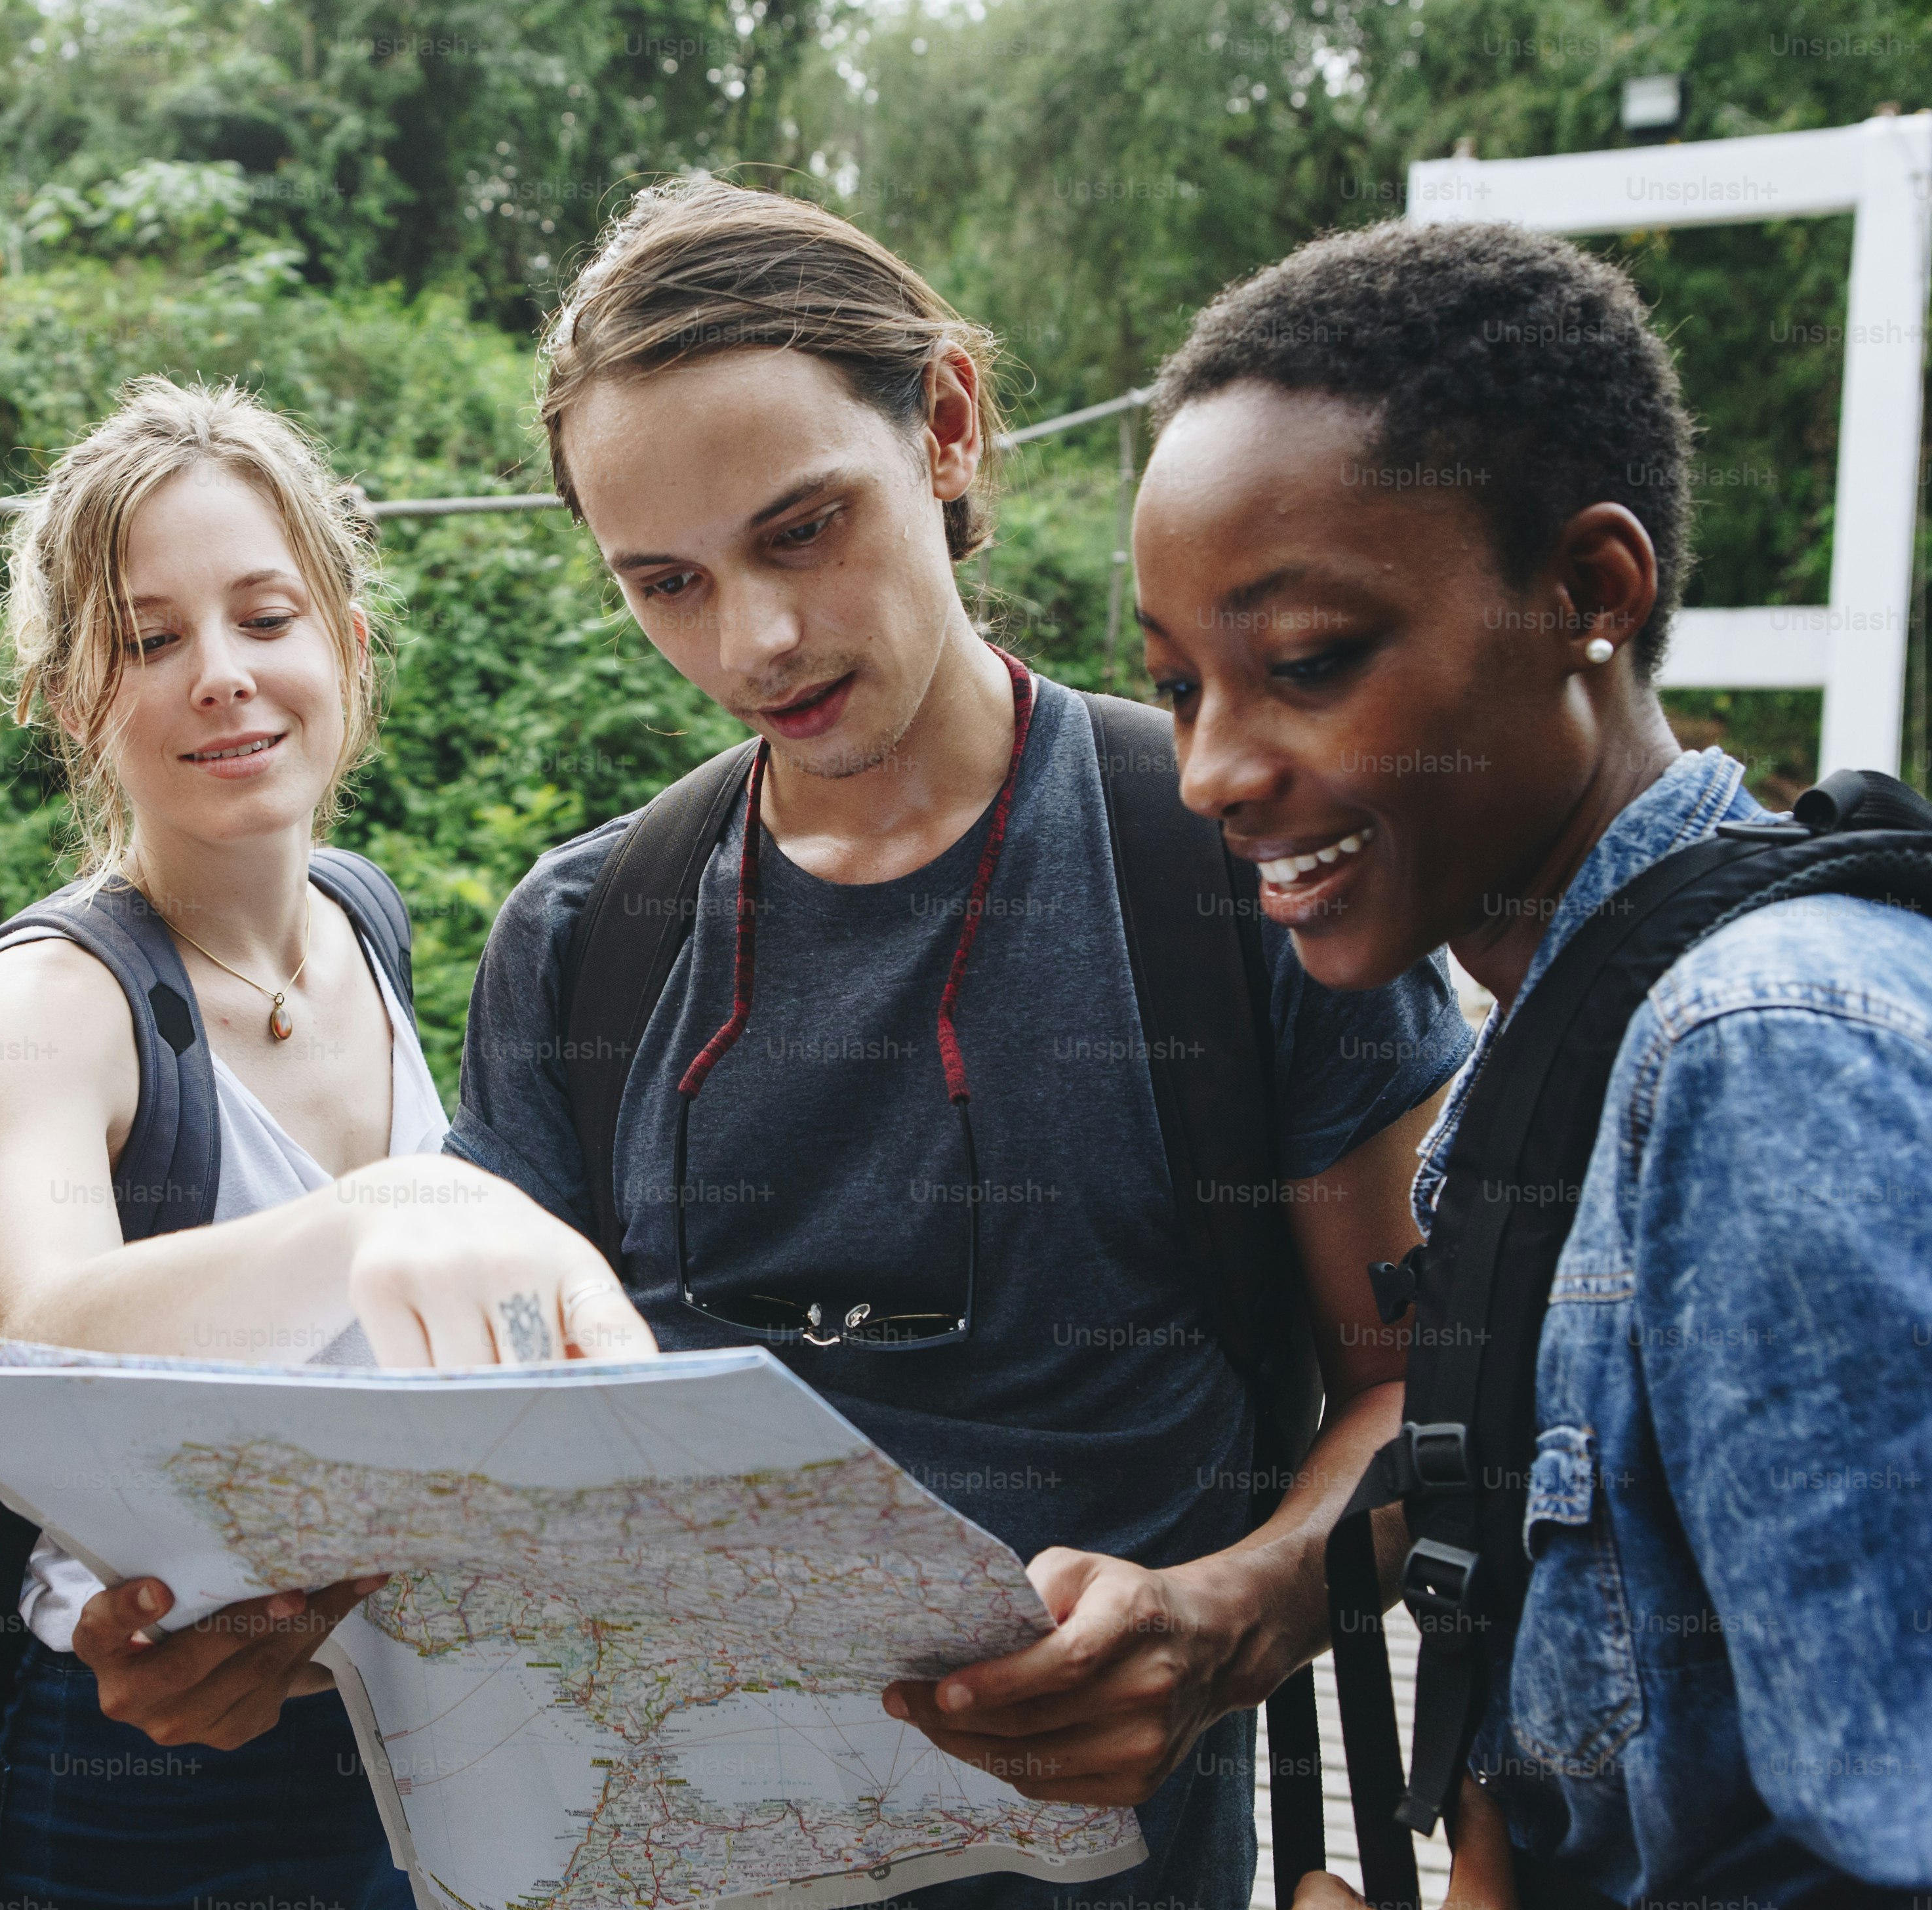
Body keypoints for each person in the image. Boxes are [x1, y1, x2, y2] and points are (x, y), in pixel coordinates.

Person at [443, 178, 1477, 1903]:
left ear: (945, 423)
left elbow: (1427, 1383)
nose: (753, 641)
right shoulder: (586, 936)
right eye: (667, 584)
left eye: (801, 532)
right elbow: (471, 1444)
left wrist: (1228, 1616)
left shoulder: (1227, 871)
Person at [1129, 218, 1932, 1904]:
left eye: (1306, 663)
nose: (1212, 771)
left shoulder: (1767, 1056)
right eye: (1176, 688)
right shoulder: (1566, 1046)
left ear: (1591, 593)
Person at [0, 378, 654, 1909]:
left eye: (267, 616)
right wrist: (385, 1205)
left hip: (407, 1739)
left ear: (347, 644)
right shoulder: (56, 997)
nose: (223, 677)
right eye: (148, 639)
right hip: (147, 1777)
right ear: (70, 698)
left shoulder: (359, 915)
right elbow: (32, 1331)